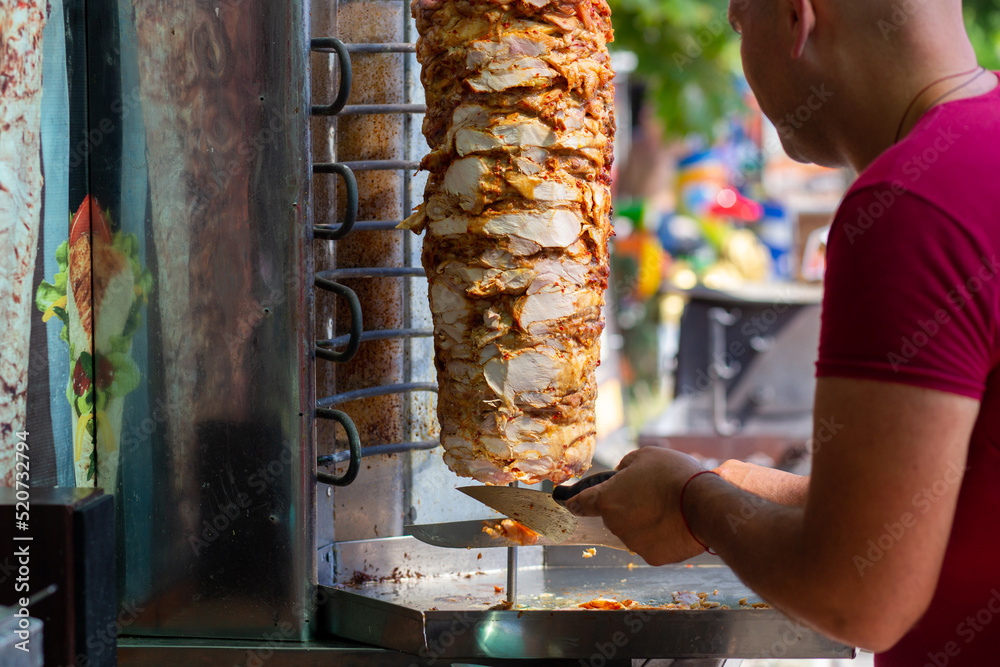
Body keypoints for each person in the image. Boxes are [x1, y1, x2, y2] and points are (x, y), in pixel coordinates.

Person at [567, 0, 1000, 664]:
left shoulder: (910, 204)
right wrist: (763, 490)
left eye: (741, 23)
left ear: (797, 18)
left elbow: (855, 596)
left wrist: (693, 501)